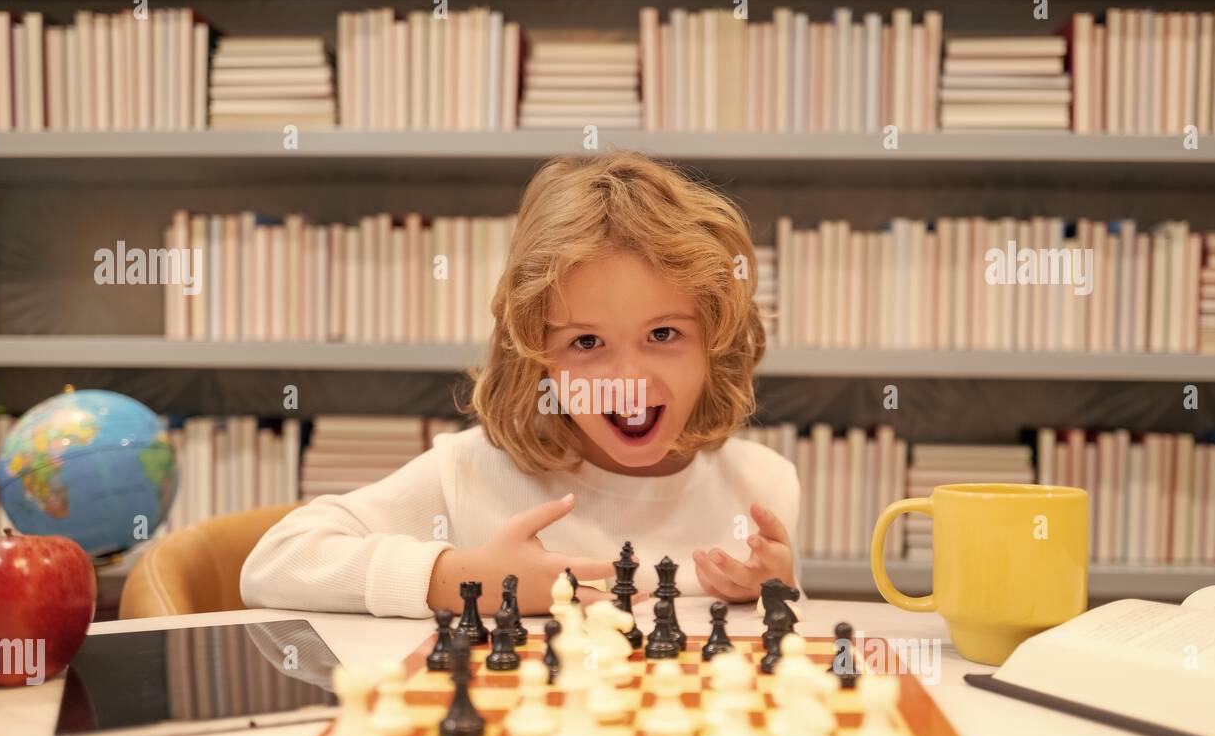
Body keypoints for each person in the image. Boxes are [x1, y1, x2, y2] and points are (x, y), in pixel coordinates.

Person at [240, 152, 800, 617]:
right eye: (585, 343)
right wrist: (463, 580)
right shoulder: (469, 474)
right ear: (537, 358)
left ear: (715, 341)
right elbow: (276, 563)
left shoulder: (762, 486)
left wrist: (772, 590)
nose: (628, 380)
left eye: (663, 333)